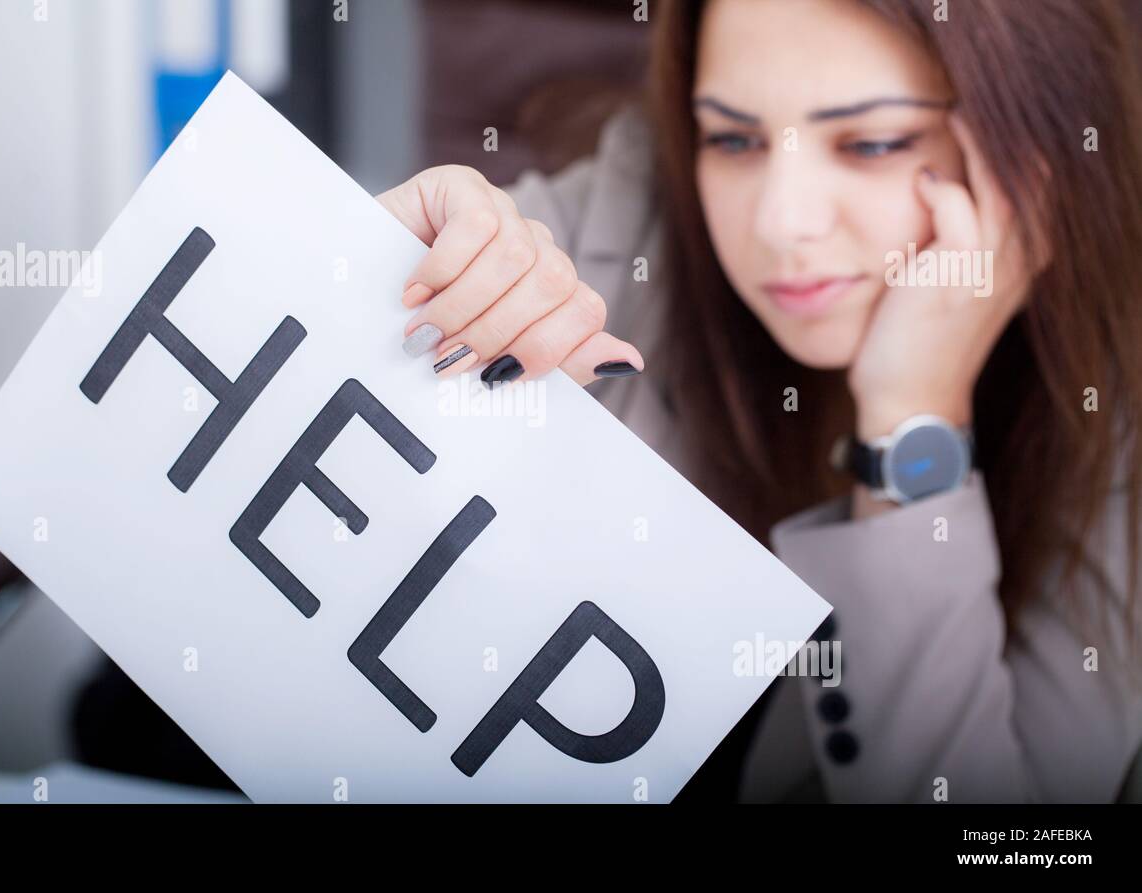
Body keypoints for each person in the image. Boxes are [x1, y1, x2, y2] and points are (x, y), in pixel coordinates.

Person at [376, 0, 1142, 802]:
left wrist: (915, 418)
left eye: (872, 142)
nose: (782, 221)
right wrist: (372, 267)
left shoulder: (1110, 403)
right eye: (734, 140)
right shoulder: (622, 221)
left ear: (1038, 142)